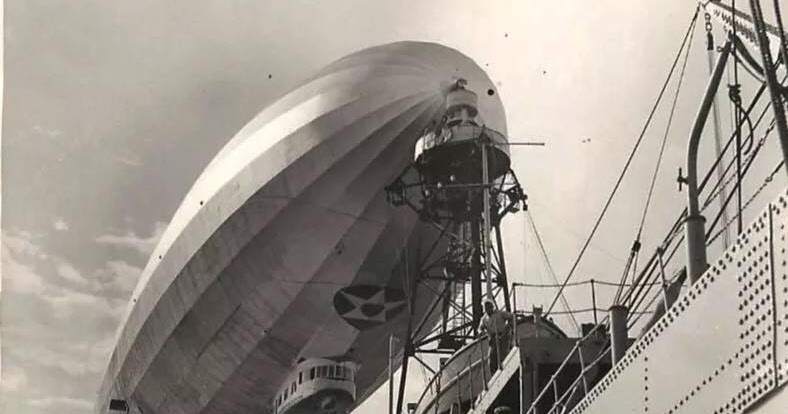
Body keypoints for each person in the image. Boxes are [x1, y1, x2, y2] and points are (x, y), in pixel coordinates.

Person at [478, 300, 514, 373]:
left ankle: (506, 372)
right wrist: (482, 332)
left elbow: (512, 316)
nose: (487, 309)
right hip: (493, 339)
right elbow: (480, 328)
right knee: (491, 359)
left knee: (504, 356)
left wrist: (508, 326)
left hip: (503, 336)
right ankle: (494, 373)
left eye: (488, 307)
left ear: (492, 307)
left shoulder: (500, 313)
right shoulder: (484, 318)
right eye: (485, 308)